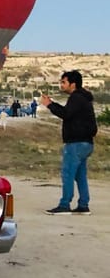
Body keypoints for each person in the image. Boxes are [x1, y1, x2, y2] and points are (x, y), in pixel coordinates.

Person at [41, 70, 97, 215]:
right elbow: (69, 113)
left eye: (63, 82)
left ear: (73, 84)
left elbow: (66, 114)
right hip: (86, 143)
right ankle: (83, 205)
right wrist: (53, 104)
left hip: (76, 143)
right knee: (80, 175)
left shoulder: (76, 98)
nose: (61, 85)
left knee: (68, 174)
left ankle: (65, 204)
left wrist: (49, 105)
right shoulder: (83, 98)